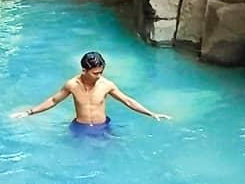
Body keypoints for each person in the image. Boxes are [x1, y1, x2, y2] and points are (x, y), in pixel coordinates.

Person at [12, 51, 170, 132]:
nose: (99, 76)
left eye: (101, 72)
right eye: (95, 73)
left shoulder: (106, 85)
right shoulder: (72, 85)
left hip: (102, 127)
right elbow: (53, 100)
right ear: (84, 70)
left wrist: (151, 113)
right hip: (80, 127)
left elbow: (127, 101)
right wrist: (28, 112)